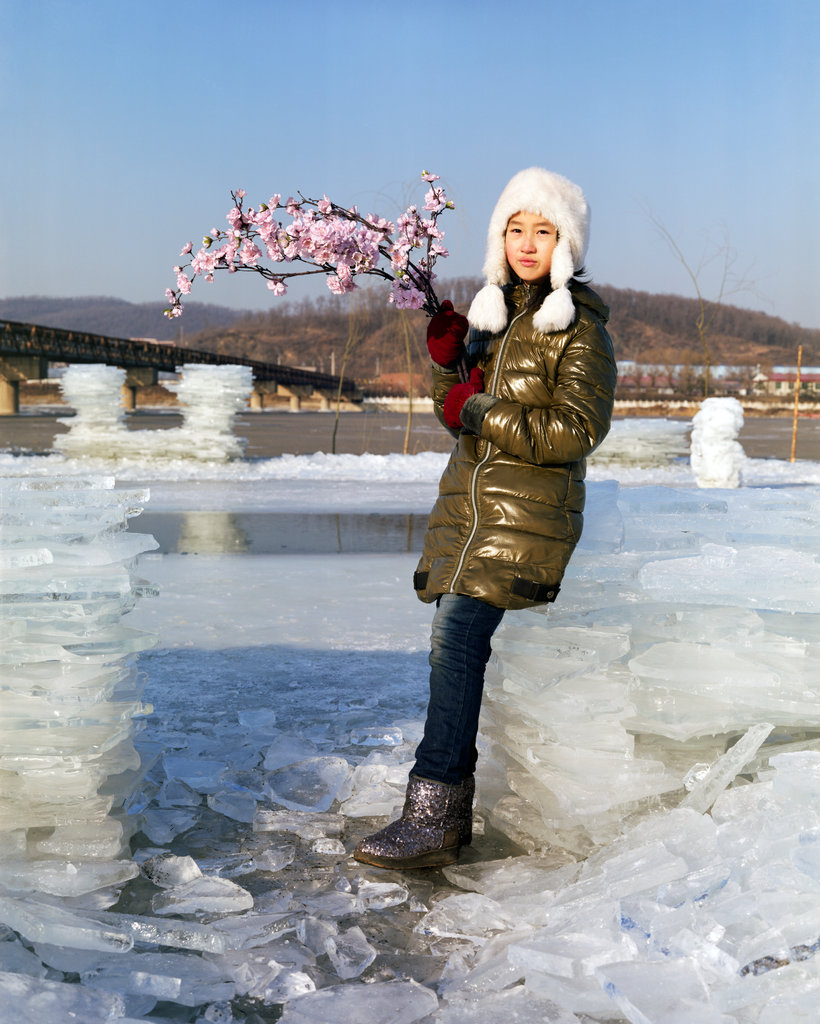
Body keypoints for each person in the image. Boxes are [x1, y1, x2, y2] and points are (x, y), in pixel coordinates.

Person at [354, 167, 617, 869]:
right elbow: (462, 419)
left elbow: (575, 430)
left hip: (527, 519)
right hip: (473, 512)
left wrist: (477, 408)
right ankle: (446, 819)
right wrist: (446, 363)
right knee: (453, 642)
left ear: (565, 242)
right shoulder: (491, 318)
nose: (527, 242)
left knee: (455, 640)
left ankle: (432, 813)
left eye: (543, 230)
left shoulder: (580, 331)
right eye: (515, 227)